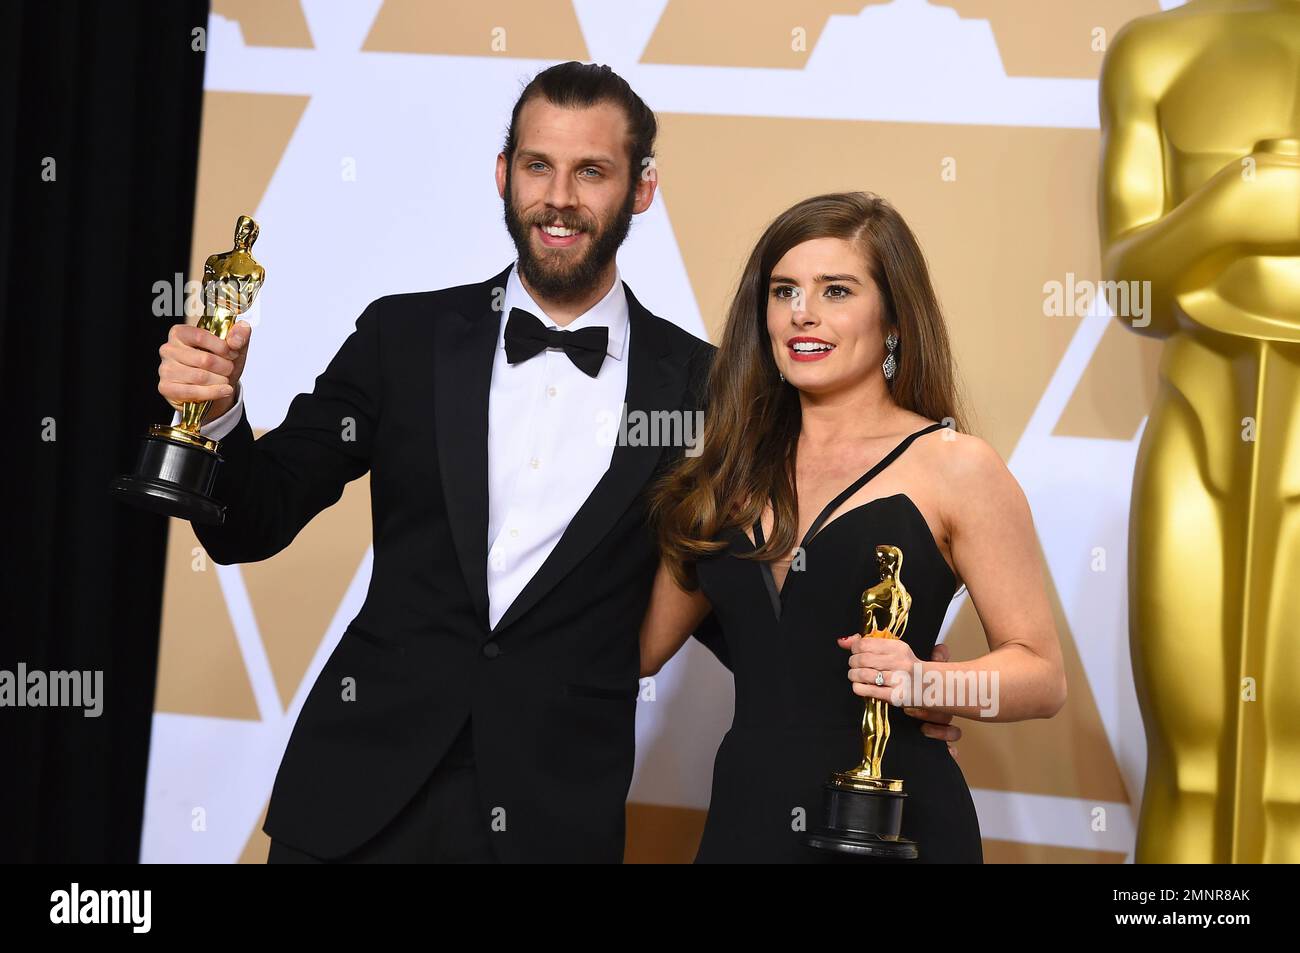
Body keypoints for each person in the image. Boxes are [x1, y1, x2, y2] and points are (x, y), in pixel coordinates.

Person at [641, 191, 1068, 863]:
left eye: (835, 290)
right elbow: (637, 652)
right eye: (783, 291)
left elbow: (1043, 677)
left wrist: (929, 683)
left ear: (893, 318)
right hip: (746, 820)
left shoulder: (956, 465)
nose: (802, 312)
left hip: (894, 824)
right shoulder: (724, 471)